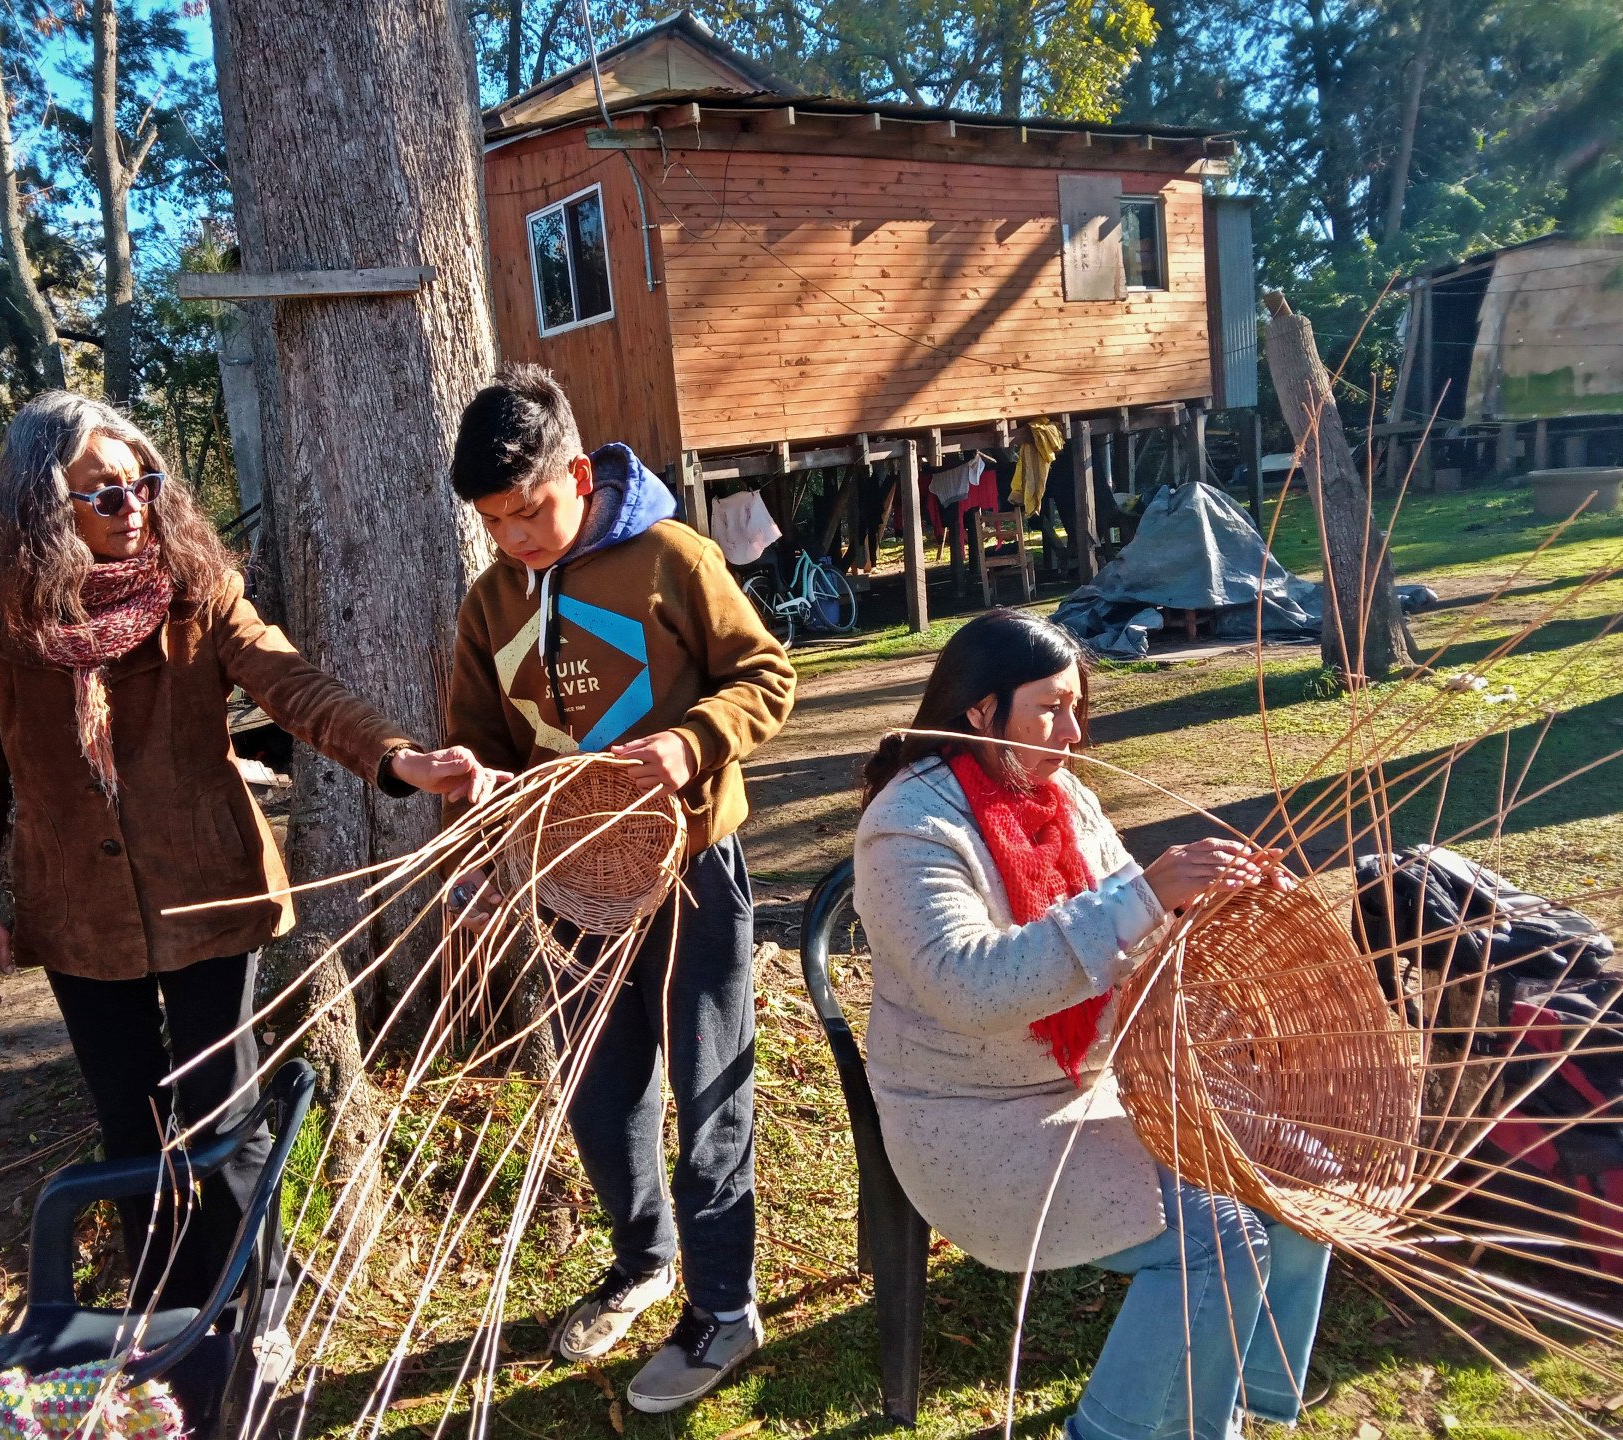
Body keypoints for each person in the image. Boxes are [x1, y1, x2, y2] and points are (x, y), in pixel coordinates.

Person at [0, 390, 492, 1370]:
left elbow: (295, 687)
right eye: (102, 496)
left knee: (223, 1121)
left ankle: (252, 1308)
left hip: (212, 896)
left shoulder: (200, 592)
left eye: (142, 482)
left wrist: (399, 758)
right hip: (77, 917)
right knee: (129, 1127)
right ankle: (171, 1314)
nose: (133, 505)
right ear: (42, 511)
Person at [853, 609, 1329, 1440]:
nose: (1073, 733)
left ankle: (1254, 1390)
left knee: (1295, 1165)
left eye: (1079, 707)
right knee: (1220, 1240)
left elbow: (1135, 935)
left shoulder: (1060, 792)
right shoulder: (909, 827)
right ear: (979, 712)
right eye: (1050, 708)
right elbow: (968, 986)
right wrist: (1146, 895)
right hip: (973, 1122)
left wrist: (1207, 904)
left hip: (1099, 1083)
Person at [444, 364, 797, 1413]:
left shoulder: (672, 559)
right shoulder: (488, 602)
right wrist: (477, 806)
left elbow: (768, 676)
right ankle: (644, 1260)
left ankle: (724, 1307)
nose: (518, 539)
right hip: (570, 888)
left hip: (691, 875)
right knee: (602, 1095)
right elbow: (477, 740)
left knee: (707, 1082)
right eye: (494, 522)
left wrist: (693, 746)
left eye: (531, 510)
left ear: (581, 473)